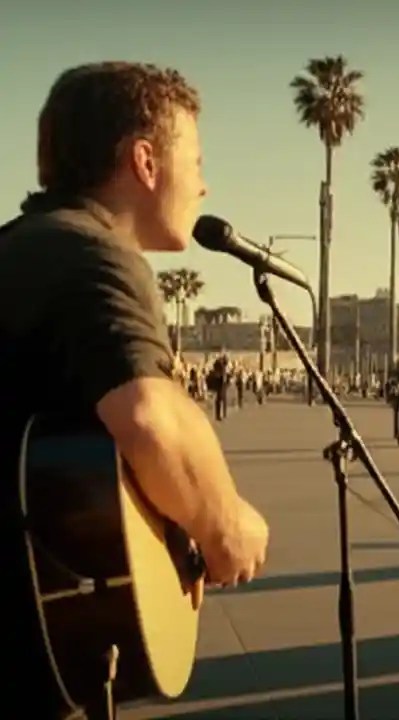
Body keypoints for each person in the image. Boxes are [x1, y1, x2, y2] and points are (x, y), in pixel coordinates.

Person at [0, 62, 270, 718]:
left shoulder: (26, 248)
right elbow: (147, 416)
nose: (205, 184)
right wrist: (225, 522)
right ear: (145, 162)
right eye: (196, 160)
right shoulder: (94, 255)